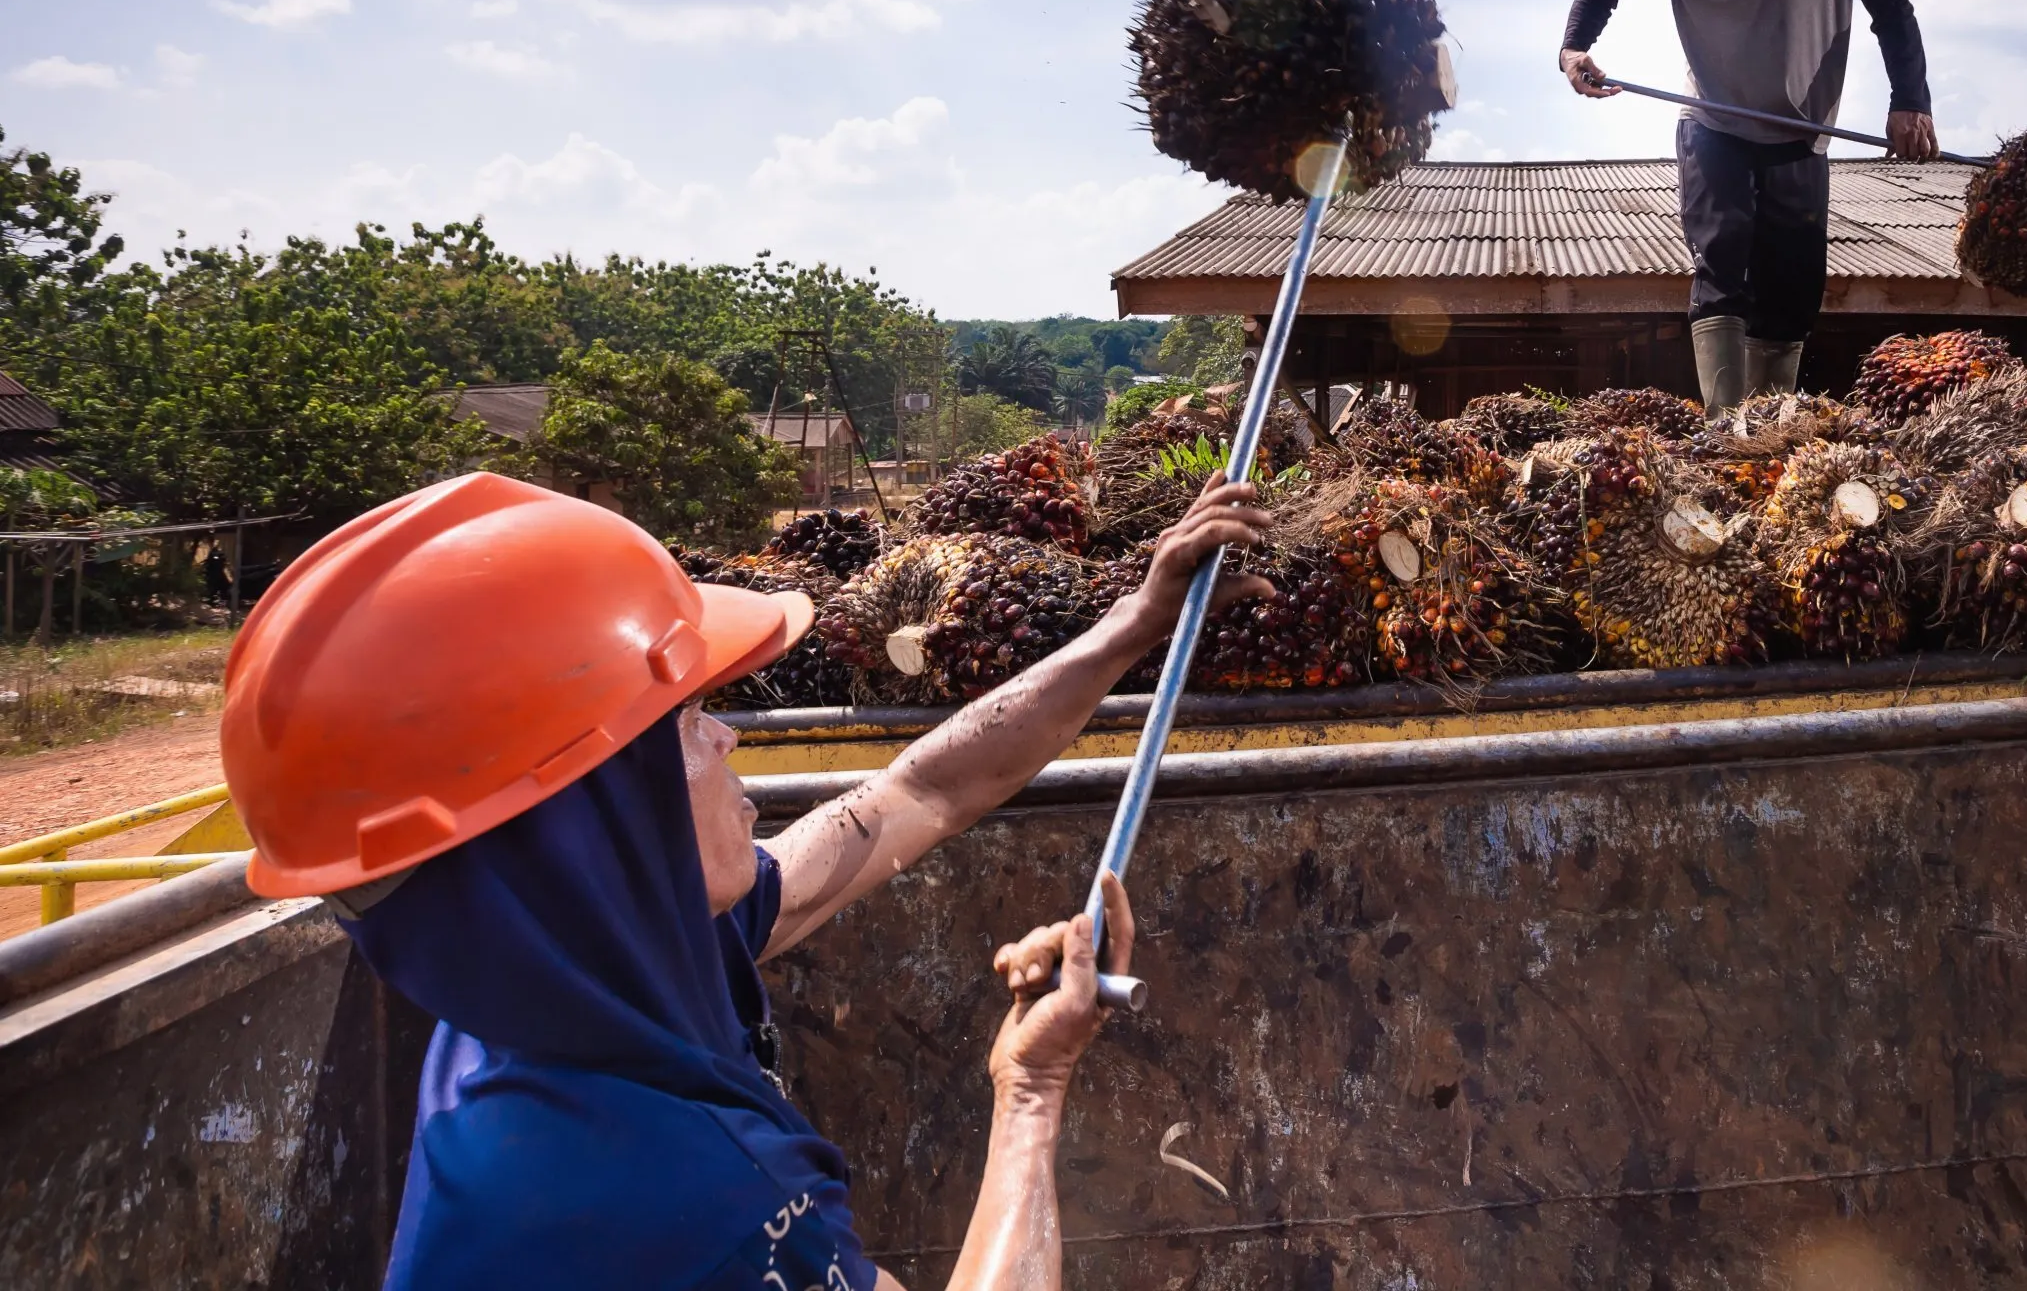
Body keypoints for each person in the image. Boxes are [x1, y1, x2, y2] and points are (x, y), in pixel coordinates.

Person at [220, 466, 1277, 1291]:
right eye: (684, 721)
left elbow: (914, 795)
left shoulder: (544, 993)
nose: (726, 736)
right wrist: (1032, 1091)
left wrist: (1133, 624)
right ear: (588, 825)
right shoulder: (686, 1202)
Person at [1557, 0, 1938, 411]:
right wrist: (1574, 49)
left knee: (1794, 292)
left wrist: (1911, 100)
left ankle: (1770, 435)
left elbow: (1894, 9)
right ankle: (1726, 433)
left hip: (1803, 137)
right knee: (1724, 271)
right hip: (1716, 127)